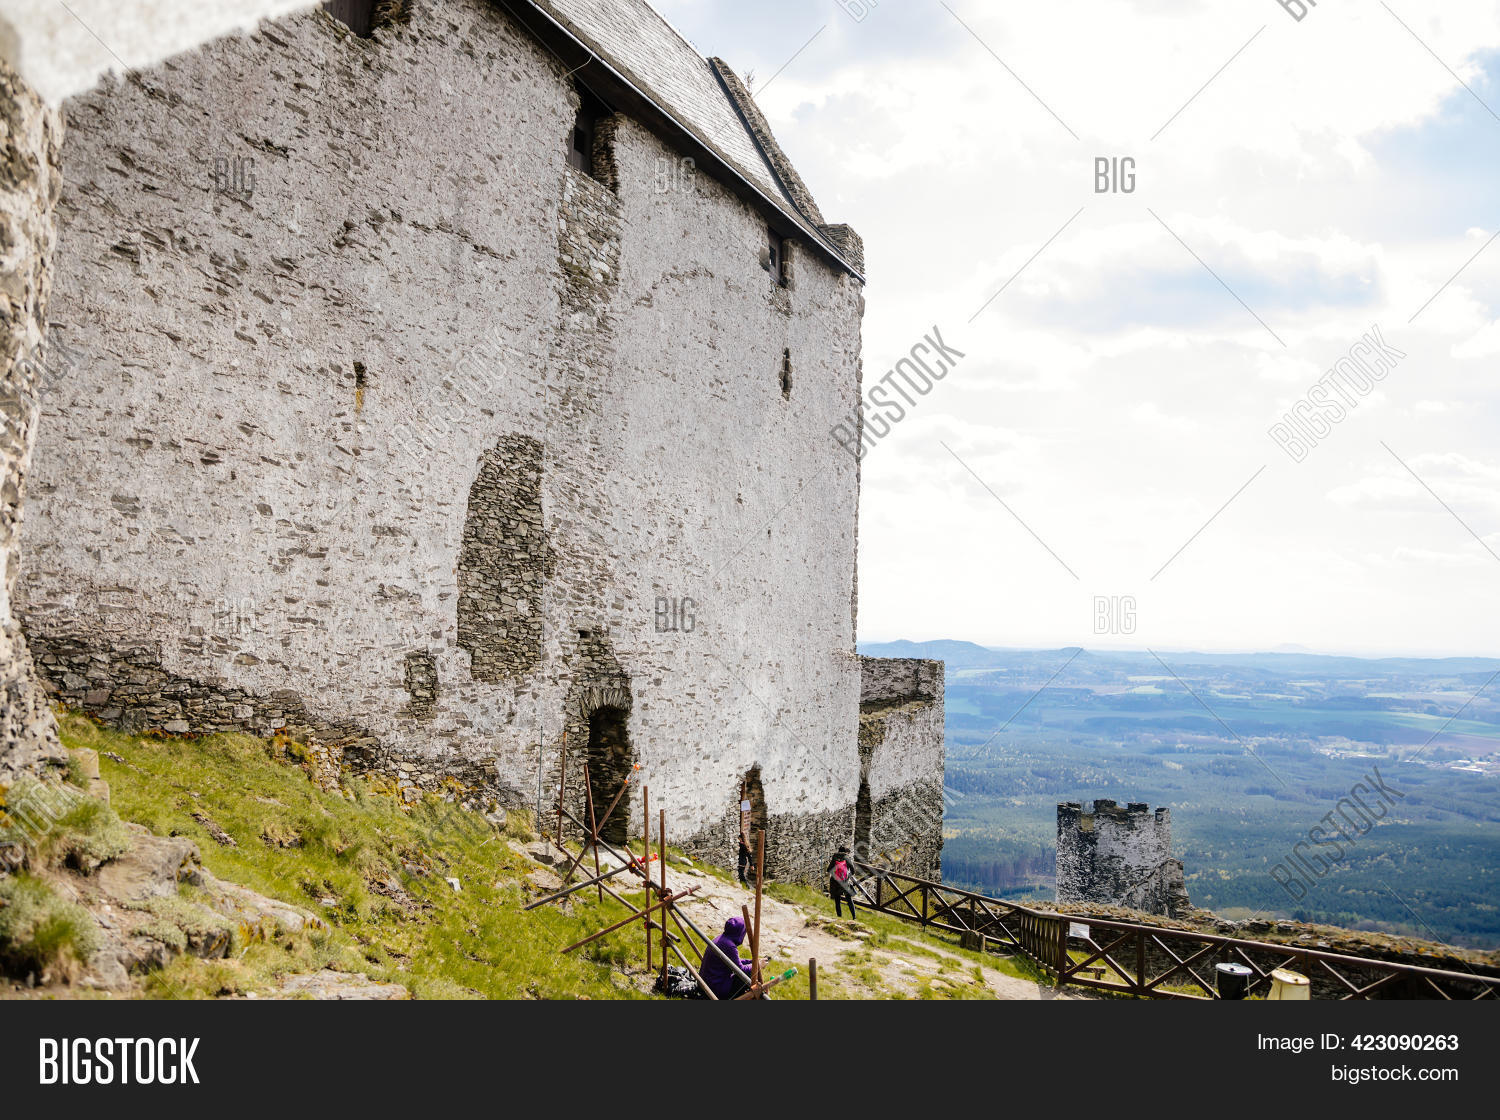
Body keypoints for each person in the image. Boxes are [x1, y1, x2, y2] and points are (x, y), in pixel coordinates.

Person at [699, 915, 754, 999]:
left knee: (750, 969)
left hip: (706, 982)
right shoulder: (729, 946)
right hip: (715, 989)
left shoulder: (721, 938)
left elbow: (734, 962)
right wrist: (757, 965)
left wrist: (751, 961)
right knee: (749, 974)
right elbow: (741, 970)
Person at [827, 844, 857, 919]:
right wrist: (847, 876)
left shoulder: (834, 857)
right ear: (845, 852)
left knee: (837, 900)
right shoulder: (847, 858)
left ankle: (839, 917)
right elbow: (853, 871)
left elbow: (828, 869)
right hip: (844, 882)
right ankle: (854, 917)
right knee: (849, 900)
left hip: (835, 882)